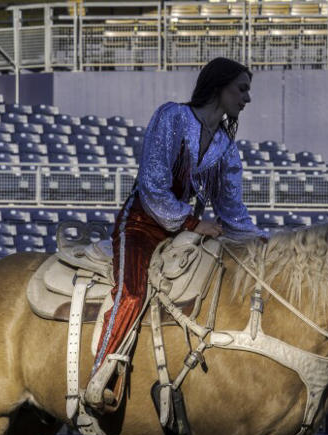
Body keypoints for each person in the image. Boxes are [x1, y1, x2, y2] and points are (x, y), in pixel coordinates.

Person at [89, 57, 266, 407]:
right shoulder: (172, 116)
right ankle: (101, 376)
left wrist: (259, 239)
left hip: (183, 234)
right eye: (241, 89)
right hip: (141, 225)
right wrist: (193, 223)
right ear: (219, 87)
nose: (247, 98)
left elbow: (231, 210)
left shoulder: (226, 147)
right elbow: (152, 185)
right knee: (133, 293)